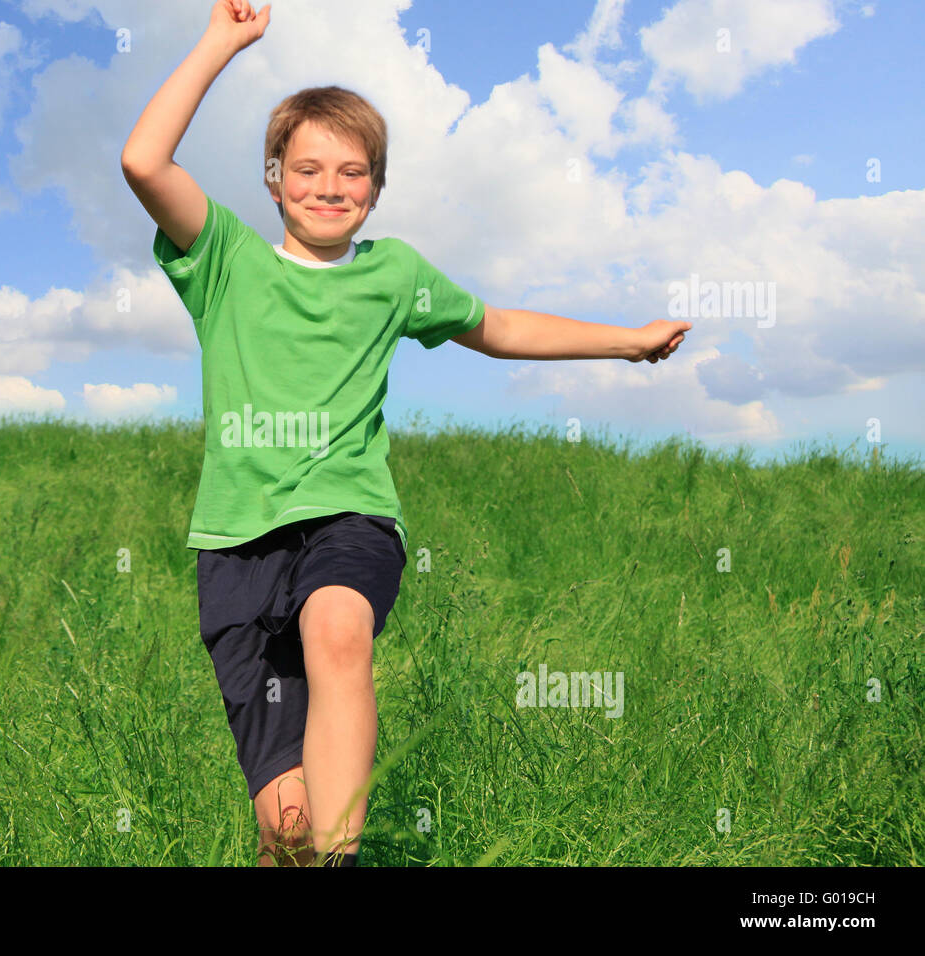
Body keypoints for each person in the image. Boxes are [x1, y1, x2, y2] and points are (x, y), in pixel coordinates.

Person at [120, 0, 690, 867]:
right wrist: (220, 41)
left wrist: (628, 342)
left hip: (350, 516)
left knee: (338, 630)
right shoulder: (223, 259)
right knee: (284, 828)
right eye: (308, 168)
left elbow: (499, 327)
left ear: (376, 189)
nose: (330, 187)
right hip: (236, 545)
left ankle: (342, 861)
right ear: (272, 179)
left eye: (353, 172)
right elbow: (143, 160)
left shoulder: (394, 274)